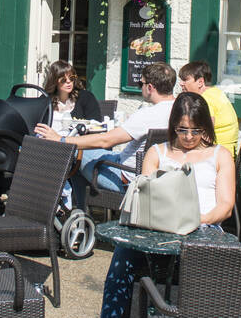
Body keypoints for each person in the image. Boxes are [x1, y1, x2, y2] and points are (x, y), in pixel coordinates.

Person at [85, 92, 236, 318]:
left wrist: (196, 219)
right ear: (172, 126)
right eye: (182, 130)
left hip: (201, 232)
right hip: (158, 232)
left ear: (206, 127)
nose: (189, 137)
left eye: (196, 130)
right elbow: (145, 198)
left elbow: (225, 207)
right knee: (123, 254)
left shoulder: (219, 155)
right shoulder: (157, 153)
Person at [35, 61, 176, 209]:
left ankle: (64, 208)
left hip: (127, 178)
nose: (140, 89)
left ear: (150, 87)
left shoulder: (147, 114)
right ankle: (76, 210)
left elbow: (106, 141)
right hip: (161, 178)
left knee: (76, 153)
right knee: (79, 158)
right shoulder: (182, 108)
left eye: (141, 84)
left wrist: (61, 139)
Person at [178, 59, 239, 158]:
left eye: (185, 80)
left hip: (218, 156)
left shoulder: (206, 99)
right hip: (227, 152)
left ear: (200, 82)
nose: (181, 83)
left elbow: (207, 136)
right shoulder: (215, 92)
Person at [42, 60, 102, 136]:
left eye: (72, 78)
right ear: (54, 82)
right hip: (50, 142)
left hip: (78, 143)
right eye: (63, 80)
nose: (68, 81)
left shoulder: (85, 97)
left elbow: (95, 124)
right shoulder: (45, 99)